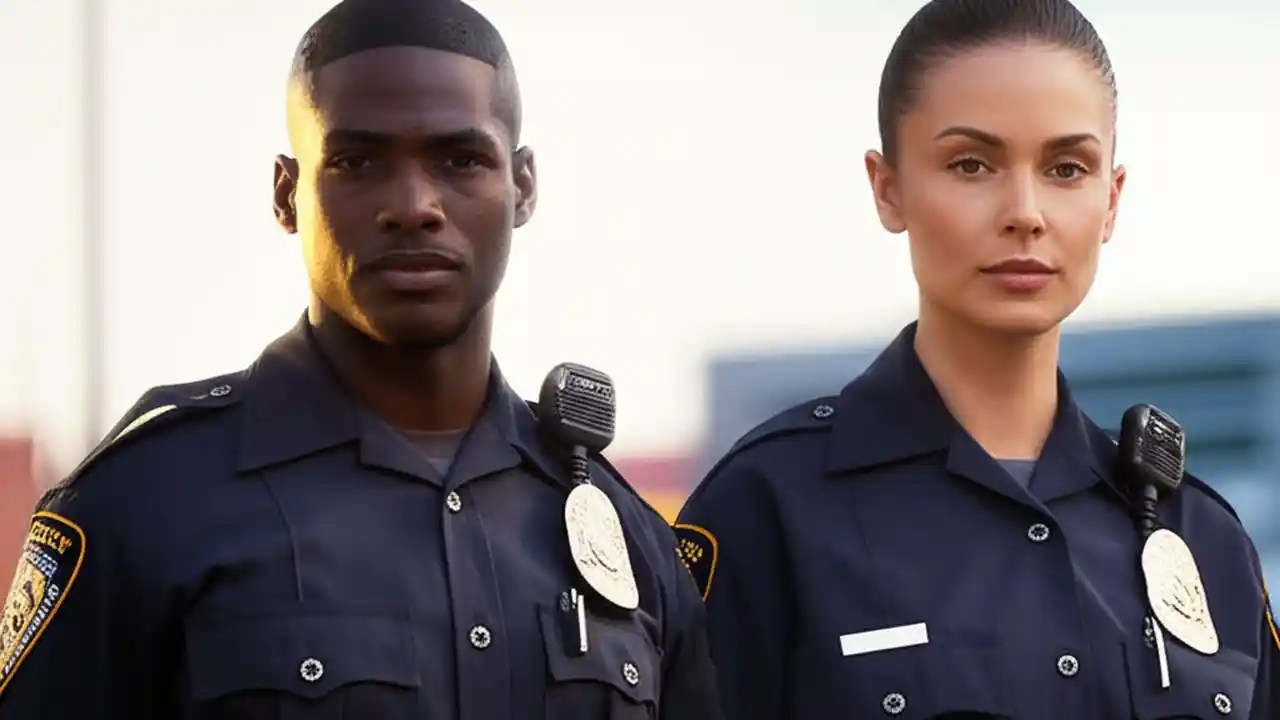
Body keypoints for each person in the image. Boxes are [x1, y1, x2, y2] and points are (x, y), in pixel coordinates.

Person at [0, 1, 722, 718]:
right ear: (287, 194)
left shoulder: (624, 536)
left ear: (522, 186)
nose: (413, 205)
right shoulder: (143, 506)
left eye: (461, 159)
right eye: (357, 161)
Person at [674, 0, 1280, 717]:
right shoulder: (767, 508)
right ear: (887, 186)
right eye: (971, 164)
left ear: (1112, 200)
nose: (1025, 211)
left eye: (1066, 168)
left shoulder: (1201, 540)